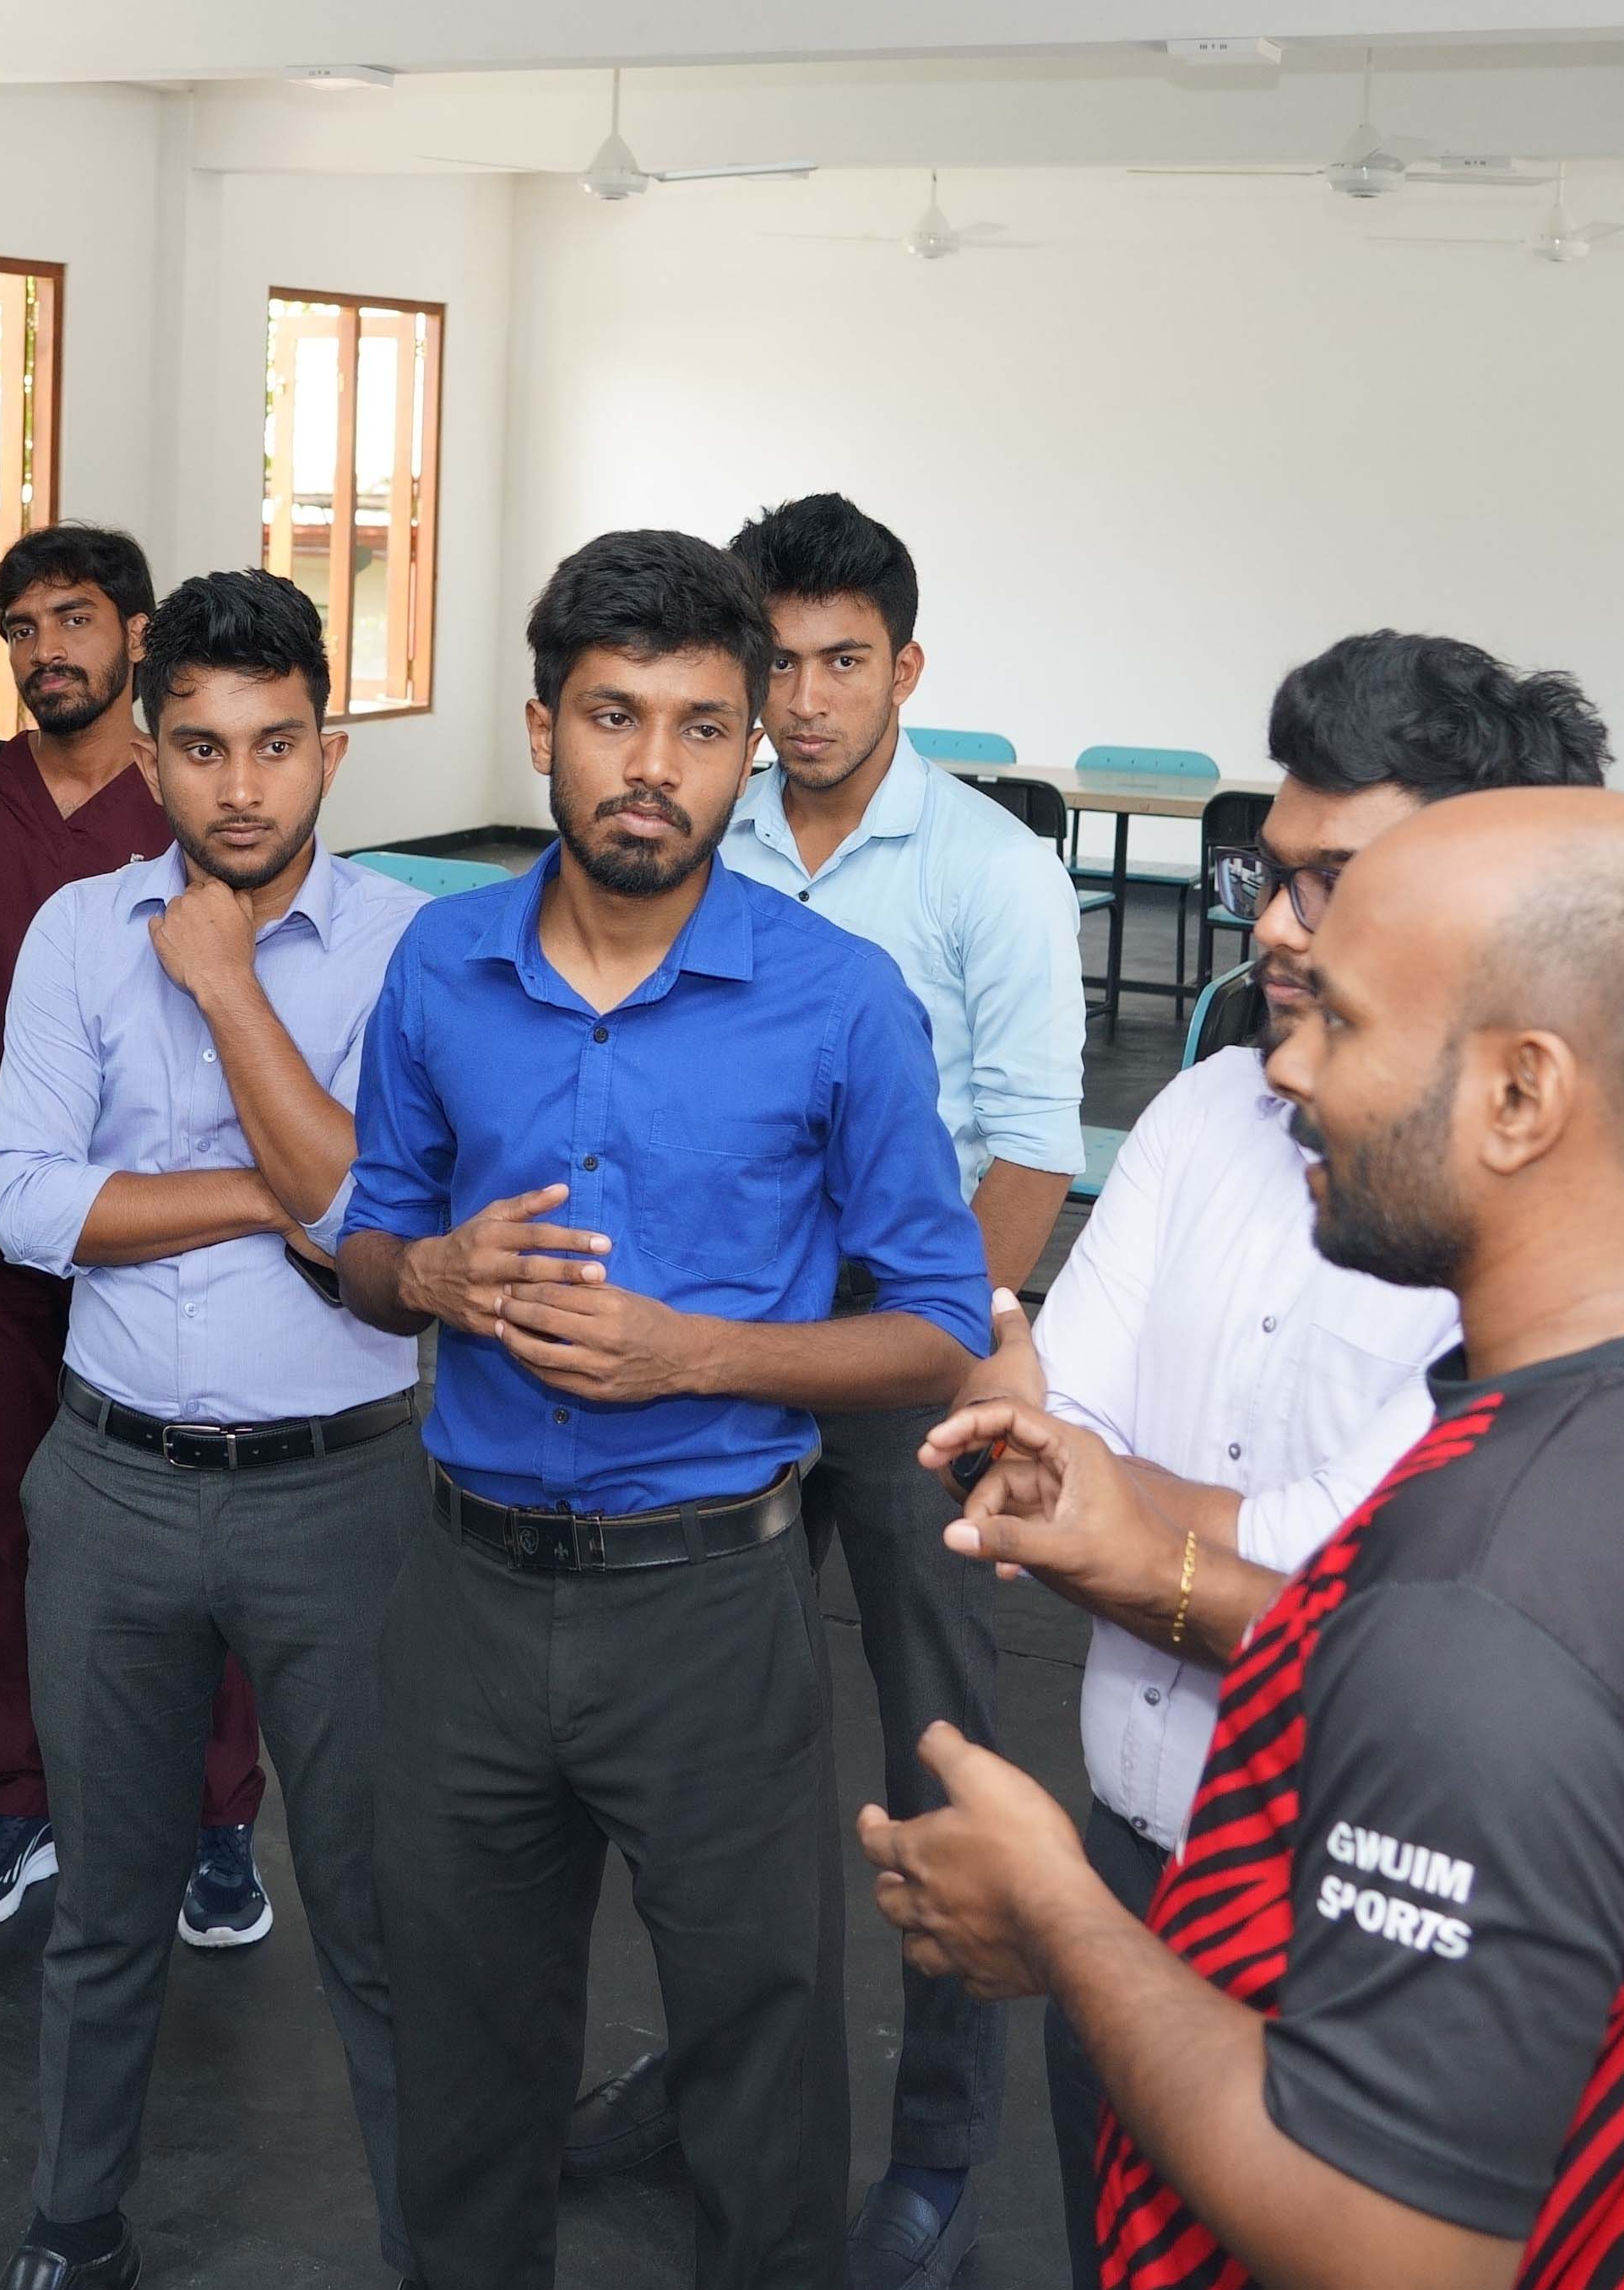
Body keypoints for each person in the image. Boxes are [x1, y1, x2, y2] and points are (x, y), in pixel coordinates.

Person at [871, 788, 1624, 2290]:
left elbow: (1392, 2250)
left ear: (1520, 1097)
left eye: (1342, 1025)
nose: (1284, 1062)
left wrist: (1064, 1914)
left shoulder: (1483, 1598)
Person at [336, 530, 994, 2290]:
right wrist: (426, 1278)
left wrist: (686, 1352)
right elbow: (364, 1242)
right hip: (466, 1597)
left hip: (711, 1605)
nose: (654, 766)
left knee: (757, 2064)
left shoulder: (836, 999)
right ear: (540, 722)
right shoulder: (438, 966)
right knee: (466, 2071)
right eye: (614, 716)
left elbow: (934, 1328)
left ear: (749, 742)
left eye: (704, 726)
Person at [978, 630, 1607, 2290]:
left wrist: (1119, 1531)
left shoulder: (1544, 1244)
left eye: (1332, 881)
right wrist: (1172, 1535)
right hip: (1131, 1862)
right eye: (1273, 872)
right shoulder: (1195, 1114)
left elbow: (1374, 1636)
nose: (1268, 923)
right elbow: (1062, 1451)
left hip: (1365, 1911)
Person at [567, 490, 1085, 2286]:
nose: (799, 701)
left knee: (937, 1749)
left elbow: (1022, 1151)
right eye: (771, 666)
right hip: (723, 1342)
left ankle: (935, 2152)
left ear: (905, 667)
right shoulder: (705, 831)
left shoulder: (987, 869)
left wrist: (959, 1333)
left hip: (906, 1354)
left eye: (838, 663)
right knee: (712, 1746)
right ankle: (704, 2079)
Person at [0, 571, 426, 2290]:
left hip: (346, 1493)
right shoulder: (76, 931)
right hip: (111, 1482)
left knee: (382, 1912)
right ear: (150, 755)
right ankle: (69, 2222)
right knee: (102, 1902)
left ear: (329, 744)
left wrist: (228, 988)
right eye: (198, 748)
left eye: (274, 744)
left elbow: (387, 1208)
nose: (239, 786)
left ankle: (426, 2239)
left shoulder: (409, 950)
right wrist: (272, 1189)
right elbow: (27, 1200)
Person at [0, 525, 274, 1950]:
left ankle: (219, 1823)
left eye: (78, 620)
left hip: (173, 1241)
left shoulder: (194, 789)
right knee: (5, 1528)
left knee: (203, 1536)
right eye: (25, 625)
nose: (51, 648)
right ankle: (20, 1796)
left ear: (136, 634)